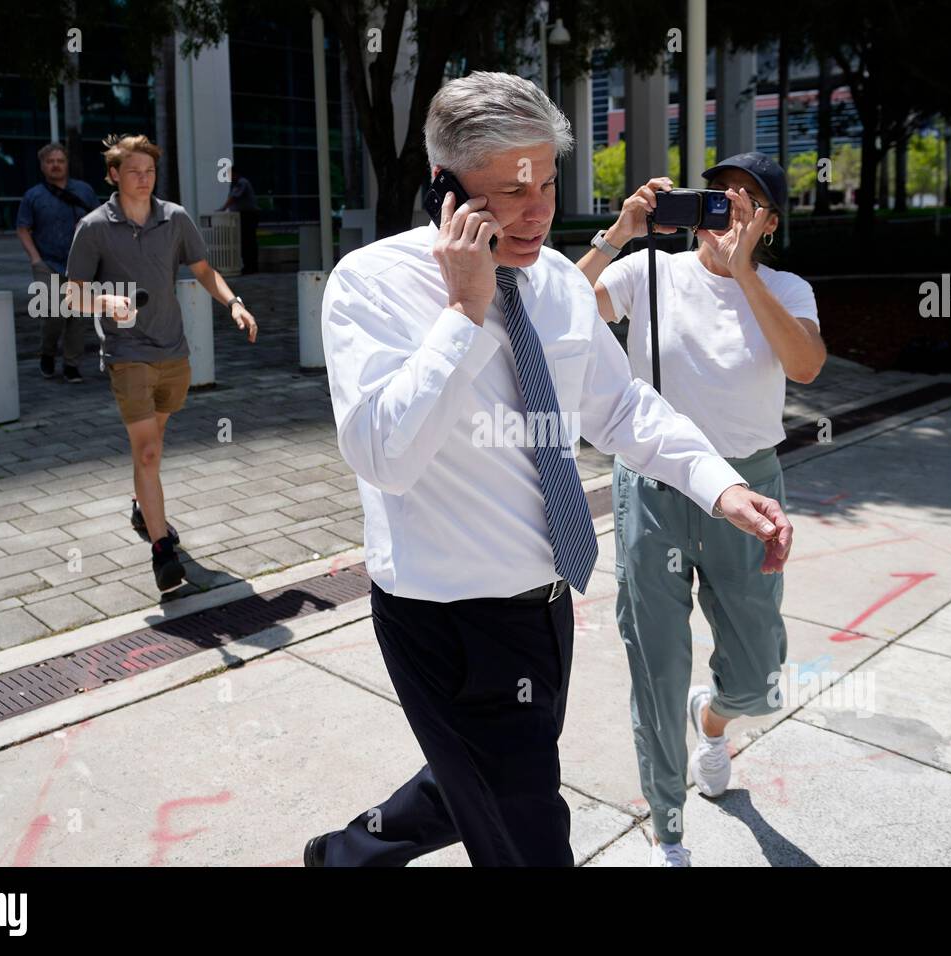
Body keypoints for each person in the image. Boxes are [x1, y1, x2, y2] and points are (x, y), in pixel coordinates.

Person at [304, 72, 793, 868]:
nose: (537, 212)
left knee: (483, 774)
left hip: (547, 604)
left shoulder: (560, 283)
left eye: (548, 184)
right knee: (528, 825)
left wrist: (720, 484)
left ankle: (349, 855)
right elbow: (383, 457)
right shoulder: (371, 286)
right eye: (508, 192)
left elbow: (621, 408)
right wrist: (462, 315)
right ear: (446, 192)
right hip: (445, 618)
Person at [578, 151, 826, 866]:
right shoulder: (648, 272)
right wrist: (619, 233)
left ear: (770, 223)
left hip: (748, 486)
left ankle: (712, 722)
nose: (727, 209)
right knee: (655, 662)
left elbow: (806, 364)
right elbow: (555, 306)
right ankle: (669, 826)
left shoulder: (784, 287)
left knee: (757, 674)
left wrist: (743, 270)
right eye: (718, 196)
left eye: (746, 202)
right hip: (654, 485)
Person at [65, 134, 259, 593]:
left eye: (149, 171)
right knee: (148, 451)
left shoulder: (175, 219)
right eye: (133, 171)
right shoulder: (93, 227)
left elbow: (203, 269)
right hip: (127, 354)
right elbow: (70, 293)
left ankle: (140, 502)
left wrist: (233, 303)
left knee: (154, 442)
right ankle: (162, 552)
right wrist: (104, 300)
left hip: (173, 351)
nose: (143, 179)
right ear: (113, 175)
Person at [17, 143, 99, 383]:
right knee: (53, 313)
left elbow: (101, 220)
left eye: (60, 161)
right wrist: (35, 260)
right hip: (48, 264)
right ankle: (48, 352)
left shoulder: (84, 191)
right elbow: (23, 228)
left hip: (80, 262)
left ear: (67, 164)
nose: (55, 165)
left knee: (76, 316)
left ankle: (72, 365)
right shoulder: (33, 196)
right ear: (42, 166)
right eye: (50, 161)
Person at [220, 167, 260, 274]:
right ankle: (248, 266)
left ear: (236, 173)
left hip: (248, 215)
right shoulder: (234, 183)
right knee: (243, 240)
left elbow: (234, 197)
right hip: (241, 215)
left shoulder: (242, 182)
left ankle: (251, 267)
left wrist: (223, 208)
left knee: (248, 240)